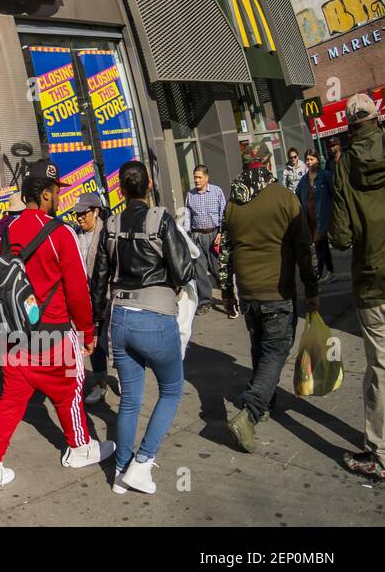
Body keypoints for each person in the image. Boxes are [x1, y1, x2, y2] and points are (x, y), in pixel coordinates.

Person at [0, 159, 114, 490]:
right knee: (69, 395)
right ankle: (79, 448)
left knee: (9, 402)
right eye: (56, 192)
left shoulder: (9, 232)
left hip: (15, 335)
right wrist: (88, 332)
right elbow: (78, 291)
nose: (59, 199)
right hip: (56, 335)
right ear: (47, 194)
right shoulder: (60, 232)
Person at [89, 161, 194, 494]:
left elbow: (99, 278)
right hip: (155, 314)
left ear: (121, 189)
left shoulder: (111, 224)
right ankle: (143, 461)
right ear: (148, 185)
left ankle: (120, 472)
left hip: (119, 318)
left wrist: (96, 320)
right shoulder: (160, 219)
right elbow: (182, 271)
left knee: (130, 400)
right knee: (172, 389)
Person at [220, 140, 319, 452]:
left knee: (259, 346)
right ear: (267, 162)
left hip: (248, 289)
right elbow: (305, 247)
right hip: (277, 289)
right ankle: (250, 412)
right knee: (276, 350)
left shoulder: (234, 201)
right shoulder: (283, 197)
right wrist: (312, 288)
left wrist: (226, 291)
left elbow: (225, 250)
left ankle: (267, 399)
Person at [330, 93, 385, 480]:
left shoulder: (344, 166)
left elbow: (341, 237)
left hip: (371, 279)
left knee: (381, 366)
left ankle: (380, 454)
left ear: (350, 125)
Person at [73, 191, 117, 404]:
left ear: (96, 211)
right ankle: (100, 383)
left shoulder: (108, 232)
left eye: (84, 213)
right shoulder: (75, 234)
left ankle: (124, 379)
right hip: (84, 302)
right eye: (77, 214)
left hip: (107, 298)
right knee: (92, 344)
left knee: (112, 342)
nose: (80, 217)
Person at [185, 165, 226, 314]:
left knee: (217, 268)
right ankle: (205, 301)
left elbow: (223, 213)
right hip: (197, 236)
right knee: (199, 269)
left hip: (214, 235)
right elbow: (188, 214)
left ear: (206, 178)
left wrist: (221, 233)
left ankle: (228, 297)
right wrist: (188, 234)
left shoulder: (216, 192)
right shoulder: (190, 195)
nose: (196, 180)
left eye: (199, 177)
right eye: (195, 177)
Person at [296, 148, 335, 282]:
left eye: (312, 159)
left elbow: (334, 195)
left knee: (319, 244)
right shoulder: (304, 180)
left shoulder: (325, 176)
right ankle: (331, 272)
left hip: (323, 217)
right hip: (310, 219)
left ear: (317, 159)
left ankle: (318, 274)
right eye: (307, 159)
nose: (309, 162)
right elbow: (298, 198)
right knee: (322, 245)